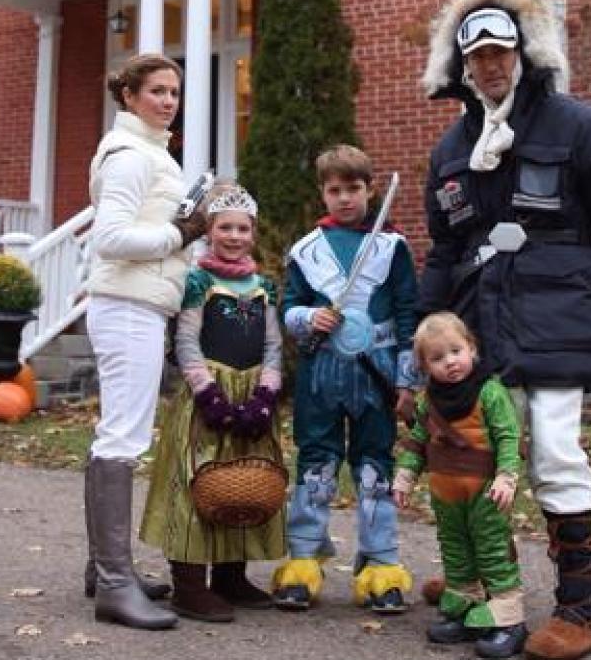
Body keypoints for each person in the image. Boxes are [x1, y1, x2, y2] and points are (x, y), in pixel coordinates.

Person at [418, 0, 591, 660]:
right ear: (462, 65)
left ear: (523, 51)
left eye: (500, 51)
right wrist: (425, 328)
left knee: (553, 452)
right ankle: (478, 583)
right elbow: (445, 248)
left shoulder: (579, 125)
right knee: (467, 452)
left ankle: (577, 610)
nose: (490, 65)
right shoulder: (450, 149)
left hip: (562, 310)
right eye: (477, 56)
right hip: (478, 317)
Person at [80, 52, 207, 631]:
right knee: (122, 436)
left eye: (174, 92)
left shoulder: (151, 152)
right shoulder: (131, 154)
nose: (168, 101)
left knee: (117, 431)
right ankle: (113, 583)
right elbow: (110, 237)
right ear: (128, 96)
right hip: (127, 305)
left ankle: (104, 570)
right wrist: (178, 233)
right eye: (156, 90)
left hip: (138, 303)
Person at [272, 145, 420, 613]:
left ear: (370, 190)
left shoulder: (392, 247)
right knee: (315, 462)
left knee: (374, 465)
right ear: (323, 192)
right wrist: (308, 317)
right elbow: (289, 306)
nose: (344, 198)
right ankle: (303, 559)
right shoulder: (307, 249)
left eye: (353, 188)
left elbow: (407, 313)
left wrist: (406, 381)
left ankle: (381, 563)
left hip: (376, 371)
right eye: (335, 189)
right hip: (322, 372)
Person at [139, 181, 287, 621]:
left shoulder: (264, 286)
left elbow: (274, 344)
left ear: (253, 233)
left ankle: (230, 575)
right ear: (210, 231)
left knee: (244, 481)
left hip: (252, 394)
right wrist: (208, 393)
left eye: (243, 228)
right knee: (197, 481)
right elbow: (186, 340)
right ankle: (189, 584)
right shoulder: (199, 281)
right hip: (209, 397)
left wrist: (266, 394)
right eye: (225, 227)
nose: (234, 236)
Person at [393, 313, 527, 659]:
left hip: (486, 492)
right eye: (437, 357)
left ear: (471, 348)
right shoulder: (428, 400)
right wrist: (405, 476)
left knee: (492, 549)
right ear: (424, 366)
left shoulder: (490, 392)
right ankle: (466, 602)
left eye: (456, 351)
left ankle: (509, 618)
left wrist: (506, 476)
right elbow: (417, 441)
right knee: (455, 550)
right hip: (446, 494)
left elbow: (508, 437)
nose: (450, 362)